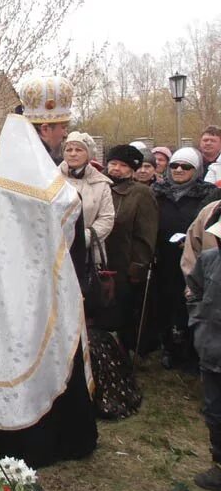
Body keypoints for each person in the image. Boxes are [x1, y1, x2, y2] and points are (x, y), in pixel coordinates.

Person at [0, 75, 97, 468]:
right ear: (45, 127)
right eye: (62, 127)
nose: (64, 134)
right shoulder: (25, 167)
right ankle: (41, 441)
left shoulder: (15, 161)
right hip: (29, 285)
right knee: (32, 346)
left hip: (17, 283)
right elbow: (61, 207)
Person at [62, 133, 141, 418]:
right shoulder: (51, 177)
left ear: (88, 153)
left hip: (85, 255)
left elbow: (107, 218)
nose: (72, 154)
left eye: (78, 149)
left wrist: (81, 237)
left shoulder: (100, 184)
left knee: (87, 313)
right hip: (56, 253)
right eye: (68, 149)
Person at [152, 148, 216, 370]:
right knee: (165, 301)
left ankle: (191, 350)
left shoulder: (207, 193)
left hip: (194, 257)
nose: (179, 170)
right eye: (174, 165)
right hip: (163, 256)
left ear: (196, 169)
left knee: (191, 301)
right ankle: (169, 347)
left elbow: (206, 224)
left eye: (186, 166)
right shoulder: (157, 190)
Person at [103, 145, 158, 353]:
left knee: (122, 312)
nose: (116, 168)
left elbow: (146, 234)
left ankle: (123, 354)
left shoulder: (141, 194)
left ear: (132, 170)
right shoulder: (101, 187)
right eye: (113, 163)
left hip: (123, 264)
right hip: (99, 259)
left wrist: (138, 266)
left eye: (123, 165)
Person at [185, 219, 221, 491]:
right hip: (212, 349)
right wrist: (198, 323)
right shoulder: (209, 260)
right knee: (214, 410)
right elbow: (194, 291)